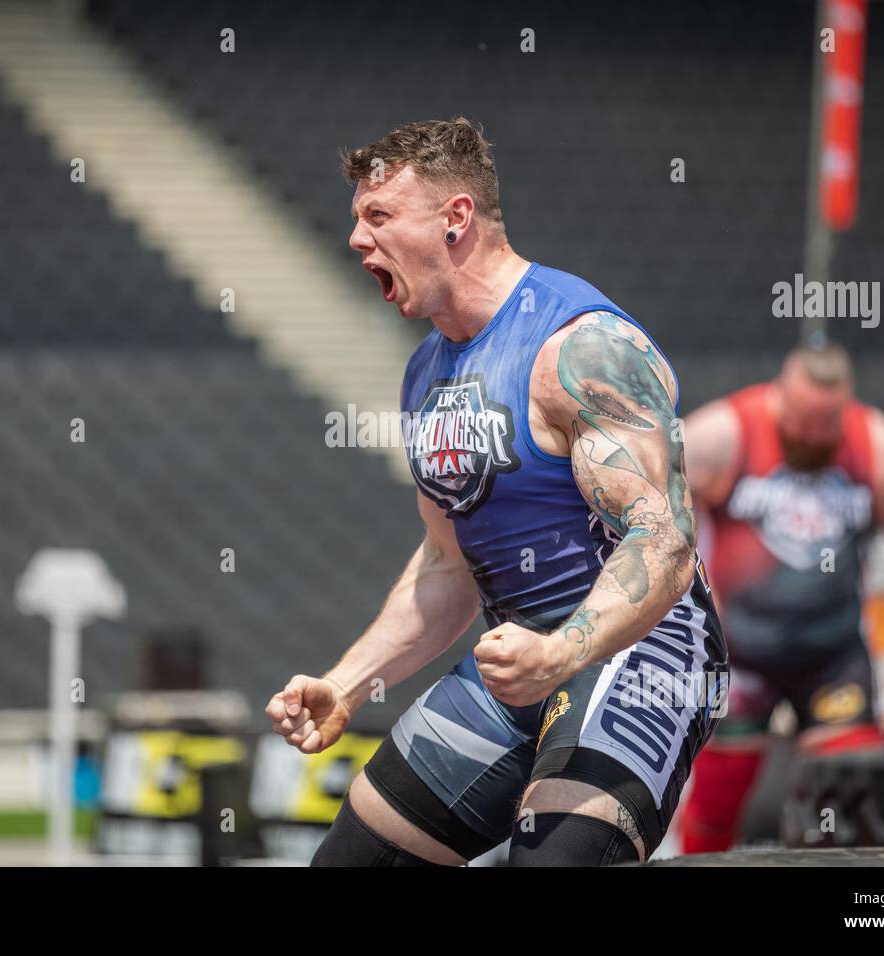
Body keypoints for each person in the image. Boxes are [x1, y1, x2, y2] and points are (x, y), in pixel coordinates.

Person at [265, 117, 727, 866]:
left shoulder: (579, 346)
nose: (356, 239)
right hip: (516, 662)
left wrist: (561, 651)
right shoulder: (426, 374)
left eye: (377, 216)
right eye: (355, 219)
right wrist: (347, 686)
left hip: (645, 650)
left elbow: (666, 543)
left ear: (456, 219)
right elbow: (448, 567)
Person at [676, 339, 884, 853]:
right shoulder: (727, 431)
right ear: (780, 397)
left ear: (844, 411)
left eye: (824, 424)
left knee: (854, 790)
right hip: (740, 653)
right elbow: (654, 493)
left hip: (833, 655)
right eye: (800, 420)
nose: (809, 434)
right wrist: (684, 590)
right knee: (718, 792)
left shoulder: (876, 444)